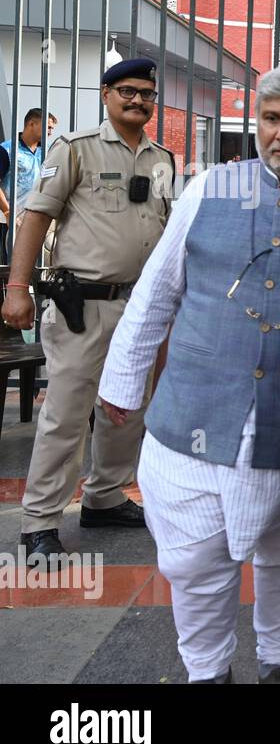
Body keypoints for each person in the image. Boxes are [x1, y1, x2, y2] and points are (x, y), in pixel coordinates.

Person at [98, 64, 280, 684]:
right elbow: (156, 293)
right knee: (196, 564)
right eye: (271, 119)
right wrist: (121, 384)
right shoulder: (209, 189)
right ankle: (208, 672)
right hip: (196, 420)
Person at [3, 59, 173, 562]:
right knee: (66, 415)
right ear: (106, 94)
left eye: (146, 93)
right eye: (127, 91)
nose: (138, 100)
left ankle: (105, 496)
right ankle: (39, 521)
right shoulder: (75, 148)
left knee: (125, 409)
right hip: (83, 306)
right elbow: (35, 217)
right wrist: (17, 288)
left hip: (137, 307)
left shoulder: (161, 158)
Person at [1, 109, 58, 260]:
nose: (51, 132)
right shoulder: (7, 149)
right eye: (48, 127)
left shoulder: (46, 151)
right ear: (32, 124)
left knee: (43, 265)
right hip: (10, 221)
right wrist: (8, 213)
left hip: (38, 217)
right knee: (14, 267)